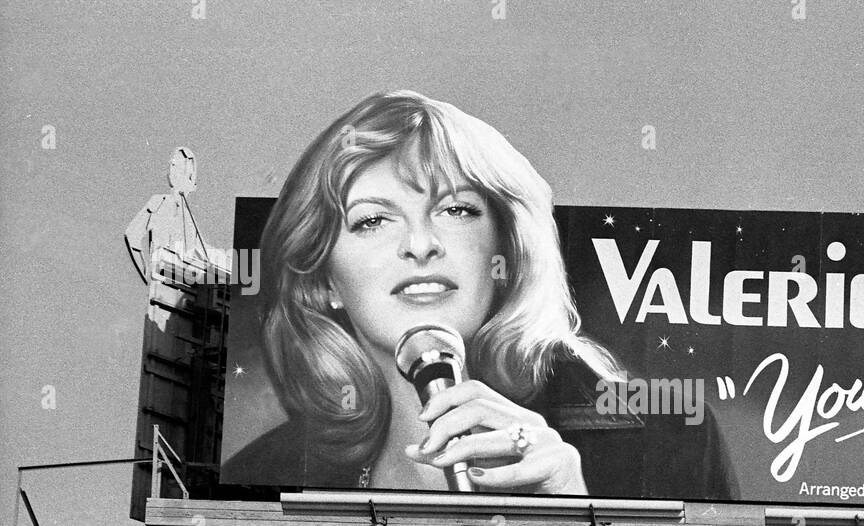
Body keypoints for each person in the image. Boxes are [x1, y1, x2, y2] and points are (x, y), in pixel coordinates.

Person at [223, 89, 736, 500]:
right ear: (323, 279)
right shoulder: (264, 476)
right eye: (373, 220)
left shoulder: (665, 437)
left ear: (507, 251)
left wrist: (569, 505)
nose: (421, 245)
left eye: (457, 210)